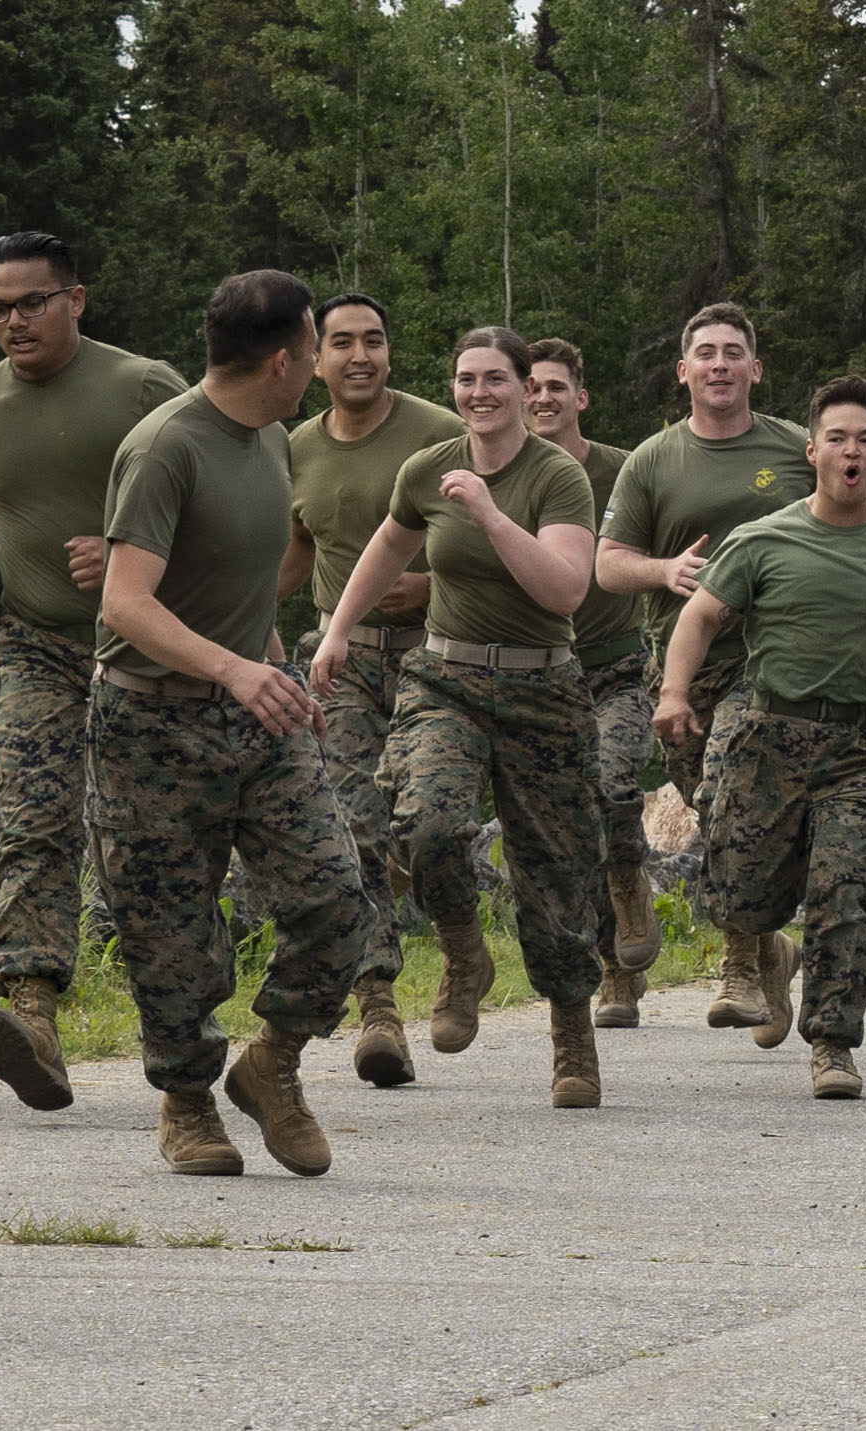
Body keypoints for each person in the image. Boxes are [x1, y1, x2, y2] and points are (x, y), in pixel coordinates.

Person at [90, 271, 377, 1178]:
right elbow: (124, 605)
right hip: (153, 724)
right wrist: (236, 670)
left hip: (260, 717)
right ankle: (186, 1102)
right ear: (286, 358)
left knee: (337, 901)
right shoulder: (165, 446)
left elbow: (245, 583)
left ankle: (273, 1064)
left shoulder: (270, 442)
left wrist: (279, 681)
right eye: (317, 349)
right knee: (172, 938)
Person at [312, 326, 606, 1109]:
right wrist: (338, 630)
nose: (480, 393)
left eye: (496, 380)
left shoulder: (556, 476)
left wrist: (487, 513)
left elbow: (566, 589)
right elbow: (385, 546)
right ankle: (463, 949)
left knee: (555, 871)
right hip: (446, 678)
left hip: (542, 692)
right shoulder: (426, 468)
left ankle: (572, 1031)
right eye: (466, 379)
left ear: (523, 387)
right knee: (427, 824)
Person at [0, 231, 188, 1112]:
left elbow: (223, 486)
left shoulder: (143, 388)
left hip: (148, 651)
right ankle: (32, 1012)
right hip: (34, 640)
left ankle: (181, 1035)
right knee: (32, 815)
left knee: (146, 837)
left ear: (75, 299)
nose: (13, 321)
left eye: (31, 303)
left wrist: (132, 554)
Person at [664, 376, 866, 1098]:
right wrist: (674, 691)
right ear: (812, 451)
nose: (850, 450)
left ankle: (832, 1041)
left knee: (846, 887)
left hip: (859, 748)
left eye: (864, 439)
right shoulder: (764, 538)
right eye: (837, 437)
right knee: (740, 889)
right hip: (769, 737)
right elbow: (700, 617)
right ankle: (767, 951)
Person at [595, 303, 809, 1043]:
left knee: (728, 786)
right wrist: (666, 568)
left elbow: (850, 515)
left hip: (772, 665)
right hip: (684, 666)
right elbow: (607, 563)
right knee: (710, 804)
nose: (720, 364)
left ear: (756, 368)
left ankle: (741, 964)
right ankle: (776, 948)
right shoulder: (652, 459)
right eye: (706, 353)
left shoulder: (797, 449)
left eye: (734, 352)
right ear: (684, 371)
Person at [281, 294, 463, 1087]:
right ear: (315, 359)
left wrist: (425, 584)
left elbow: (488, 535)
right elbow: (288, 556)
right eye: (342, 342)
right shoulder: (292, 449)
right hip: (338, 656)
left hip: (440, 653)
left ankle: (464, 948)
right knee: (352, 820)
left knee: (429, 824)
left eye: (375, 341)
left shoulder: (436, 435)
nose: (361, 355)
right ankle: (378, 1002)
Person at [524, 337, 662, 1026]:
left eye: (556, 387)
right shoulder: (499, 471)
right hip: (538, 674)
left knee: (612, 788)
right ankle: (613, 972)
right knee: (567, 832)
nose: (542, 399)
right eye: (532, 387)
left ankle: (631, 876)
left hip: (618, 666)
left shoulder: (625, 470)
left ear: (581, 396)